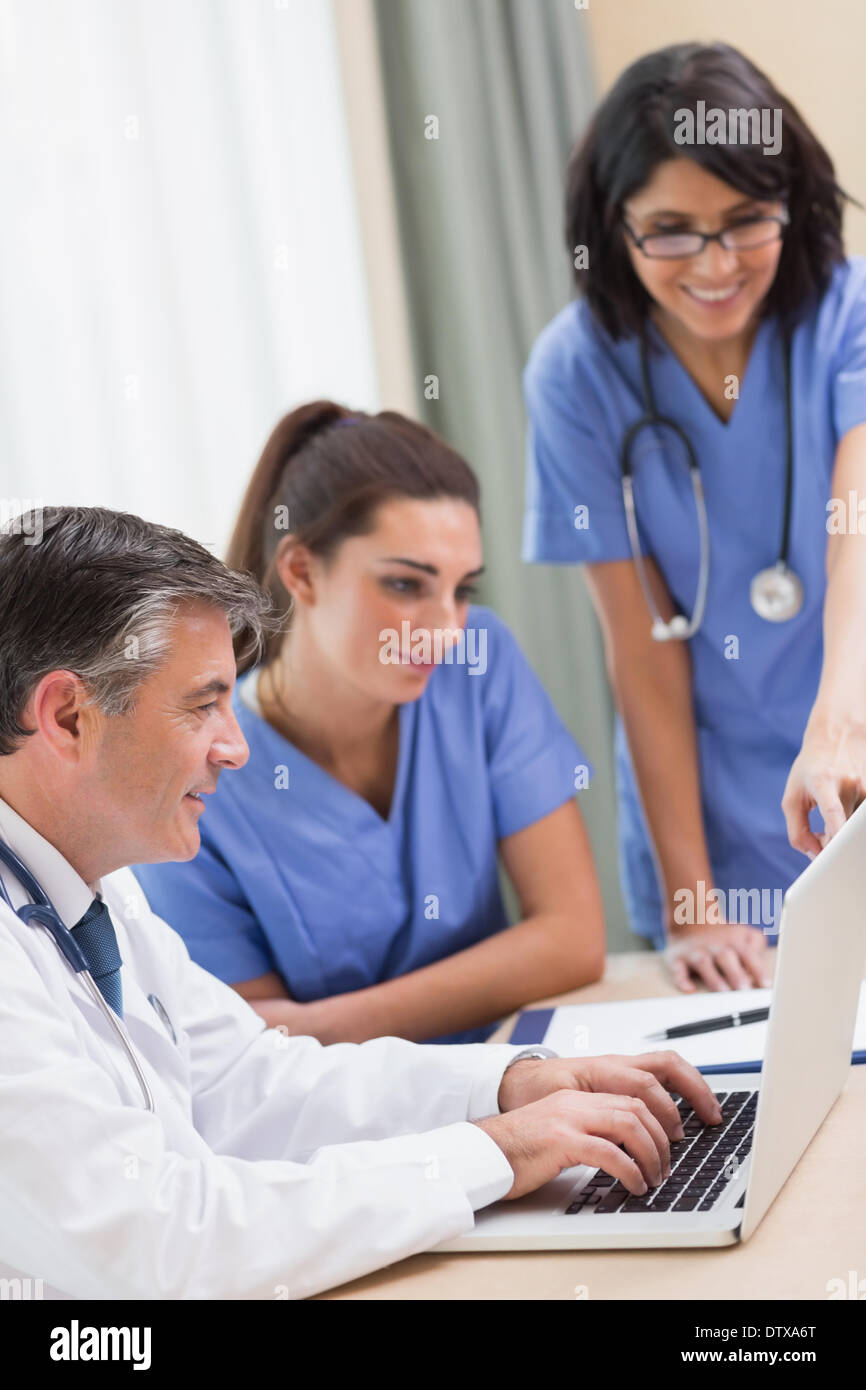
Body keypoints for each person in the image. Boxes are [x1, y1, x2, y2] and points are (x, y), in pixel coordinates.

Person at [0, 506, 722, 1299]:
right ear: (68, 717)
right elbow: (155, 1244)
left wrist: (509, 1087)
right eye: (201, 705)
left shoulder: (97, 893)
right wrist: (496, 1153)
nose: (235, 747)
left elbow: (256, 1086)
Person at [522, 41, 866, 993]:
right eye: (670, 230)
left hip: (854, 751)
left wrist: (840, 730)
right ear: (613, 227)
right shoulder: (576, 375)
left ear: (793, 207)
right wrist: (692, 899)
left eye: (746, 221)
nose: (716, 265)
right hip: (709, 830)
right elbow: (642, 648)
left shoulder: (850, 315)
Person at [133, 403, 605, 1045]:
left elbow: (574, 939)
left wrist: (316, 1026)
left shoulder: (479, 663)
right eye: (406, 585)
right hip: (343, 1131)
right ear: (301, 570)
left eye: (462, 589)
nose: (446, 629)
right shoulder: (195, 760)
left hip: (513, 1077)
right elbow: (241, 1055)